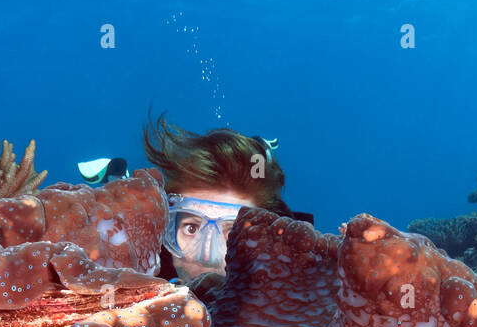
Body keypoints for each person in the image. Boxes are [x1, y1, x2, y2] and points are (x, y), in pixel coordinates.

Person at [80, 115, 311, 282]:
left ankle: (261, 148)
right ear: (168, 229)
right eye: (191, 228)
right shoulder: (142, 267)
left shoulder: (298, 283)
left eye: (232, 234)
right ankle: (117, 177)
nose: (206, 257)